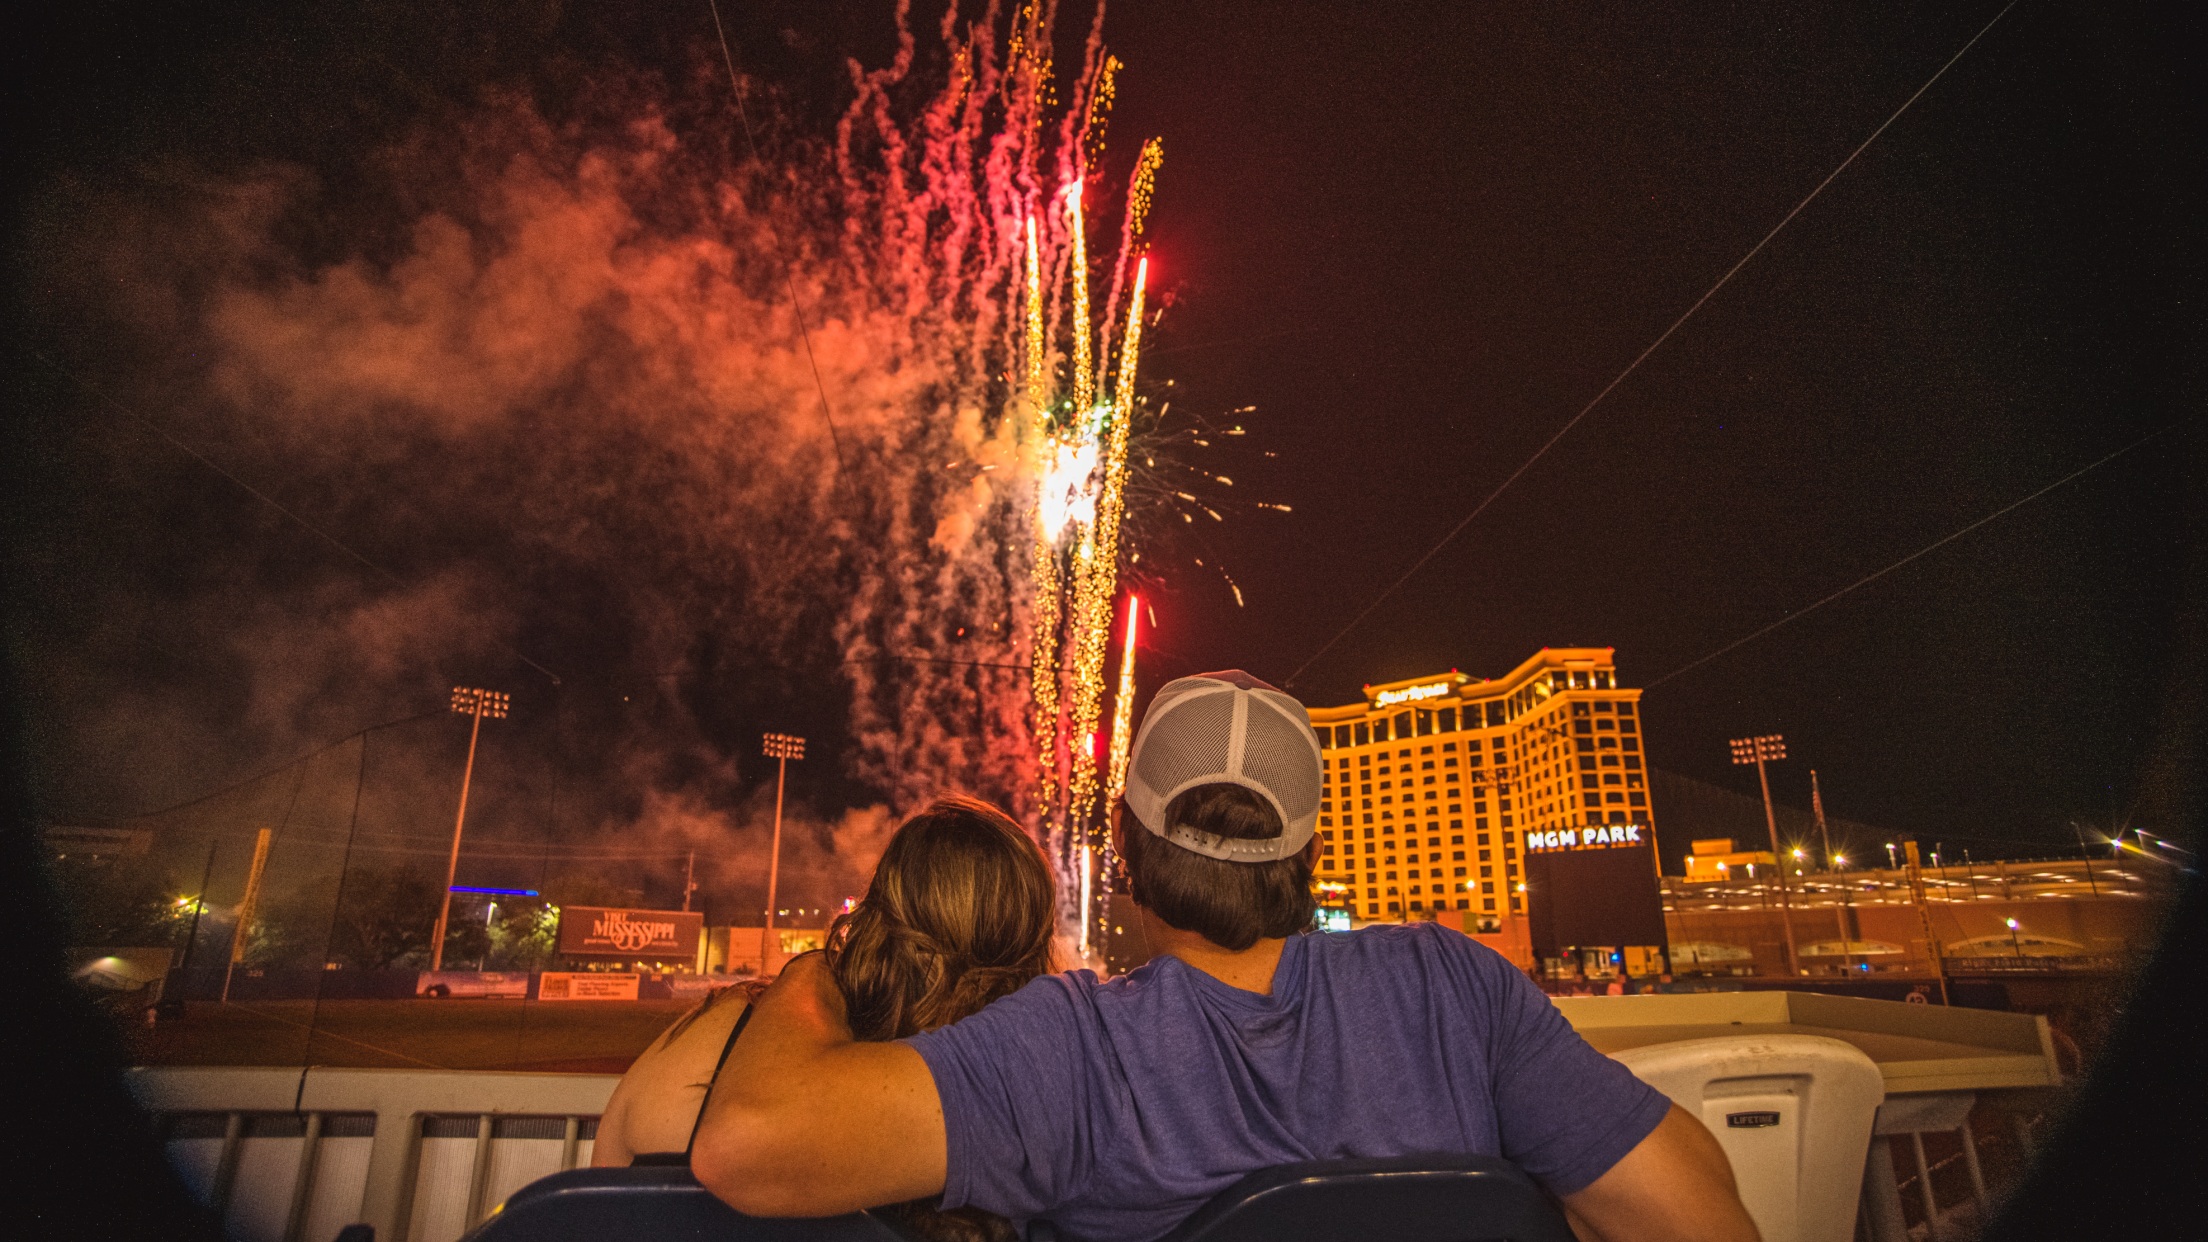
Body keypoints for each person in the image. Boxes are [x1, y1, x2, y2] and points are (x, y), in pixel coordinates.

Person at [693, 672, 1759, 1242]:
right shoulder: (1456, 988)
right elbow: (1704, 1221)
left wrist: (817, 974)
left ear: (1125, 845)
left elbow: (746, 1146)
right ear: (1312, 852)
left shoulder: (1077, 1051)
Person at [594, 795, 1058, 1241]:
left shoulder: (707, 1036)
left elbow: (589, 1212)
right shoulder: (1016, 1104)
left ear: (878, 910)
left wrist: (813, 966)